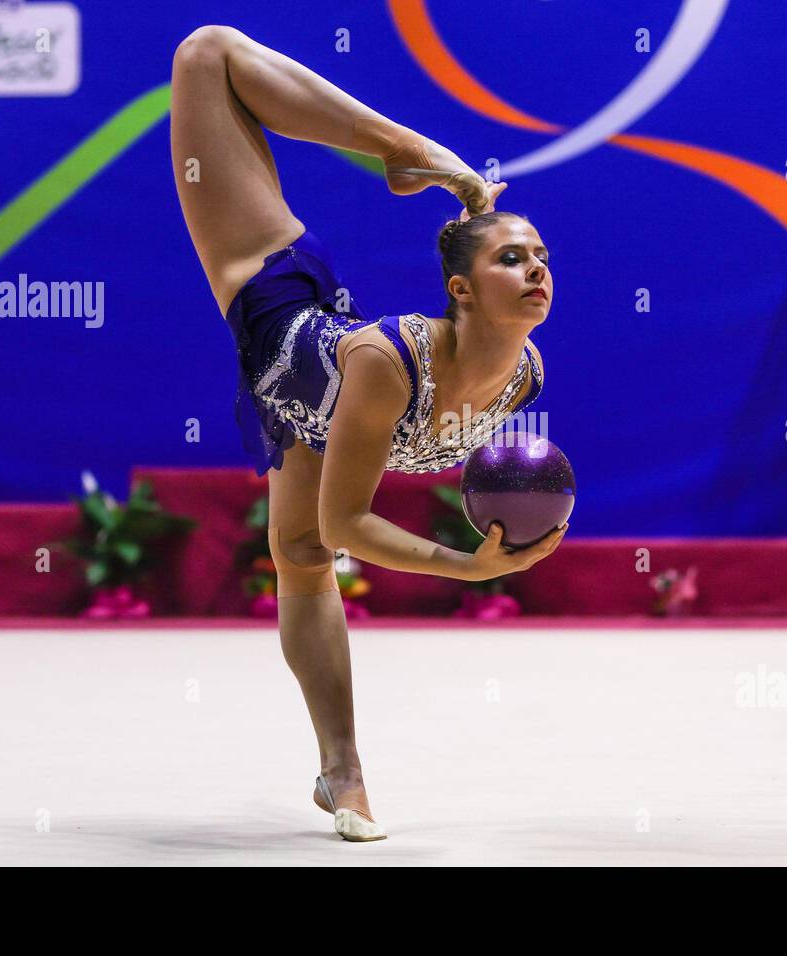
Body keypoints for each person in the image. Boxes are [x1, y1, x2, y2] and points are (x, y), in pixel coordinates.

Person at [170, 26, 569, 841]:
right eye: (511, 258)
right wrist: (467, 567)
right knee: (206, 54)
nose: (535, 270)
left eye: (542, 258)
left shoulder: (525, 374)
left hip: (318, 407)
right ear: (460, 287)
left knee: (301, 562)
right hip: (275, 301)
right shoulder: (391, 364)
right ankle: (403, 147)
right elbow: (346, 522)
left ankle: (341, 772)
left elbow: (338, 532)